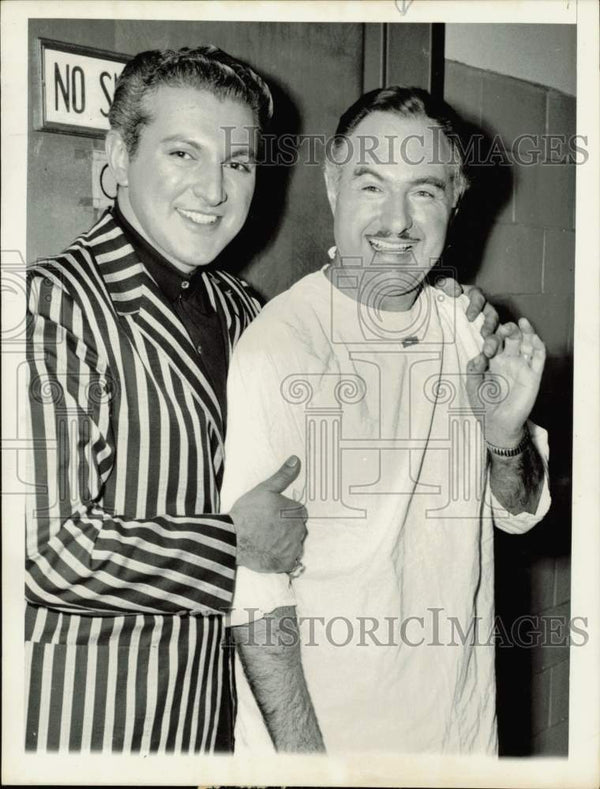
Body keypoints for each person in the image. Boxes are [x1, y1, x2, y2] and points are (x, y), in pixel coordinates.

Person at [222, 87, 551, 754]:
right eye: (372, 184)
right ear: (335, 185)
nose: (396, 220)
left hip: (459, 738)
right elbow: (257, 599)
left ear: (455, 201)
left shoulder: (463, 327)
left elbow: (518, 509)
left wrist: (507, 436)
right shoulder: (282, 345)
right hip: (326, 747)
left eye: (424, 191)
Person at [25, 45, 314, 754]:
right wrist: (235, 541)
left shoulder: (246, 308)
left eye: (239, 164)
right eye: (184, 153)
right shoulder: (49, 304)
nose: (214, 190)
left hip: (207, 721)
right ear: (118, 157)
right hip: (79, 726)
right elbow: (45, 547)